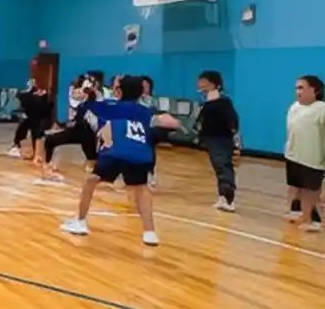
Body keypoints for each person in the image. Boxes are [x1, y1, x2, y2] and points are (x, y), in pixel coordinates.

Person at [60, 75, 181, 246]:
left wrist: (87, 94)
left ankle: (80, 222)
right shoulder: (144, 111)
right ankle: (149, 232)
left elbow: (80, 108)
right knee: (141, 188)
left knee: (91, 181)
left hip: (115, 151)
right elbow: (167, 121)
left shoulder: (109, 107)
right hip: (140, 153)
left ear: (118, 91)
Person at [194, 70, 240, 212]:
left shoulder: (223, 101)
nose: (199, 85)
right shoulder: (206, 102)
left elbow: (233, 122)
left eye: (203, 82)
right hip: (211, 140)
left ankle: (228, 197)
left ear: (213, 84)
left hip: (222, 139)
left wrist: (236, 144)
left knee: (223, 166)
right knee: (218, 166)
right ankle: (222, 196)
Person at [285, 75, 325, 231]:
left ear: (314, 90)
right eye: (296, 88)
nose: (297, 91)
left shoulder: (321, 109)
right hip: (294, 155)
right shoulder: (294, 107)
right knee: (298, 187)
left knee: (311, 190)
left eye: (301, 87)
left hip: (313, 158)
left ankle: (312, 221)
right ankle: (303, 214)